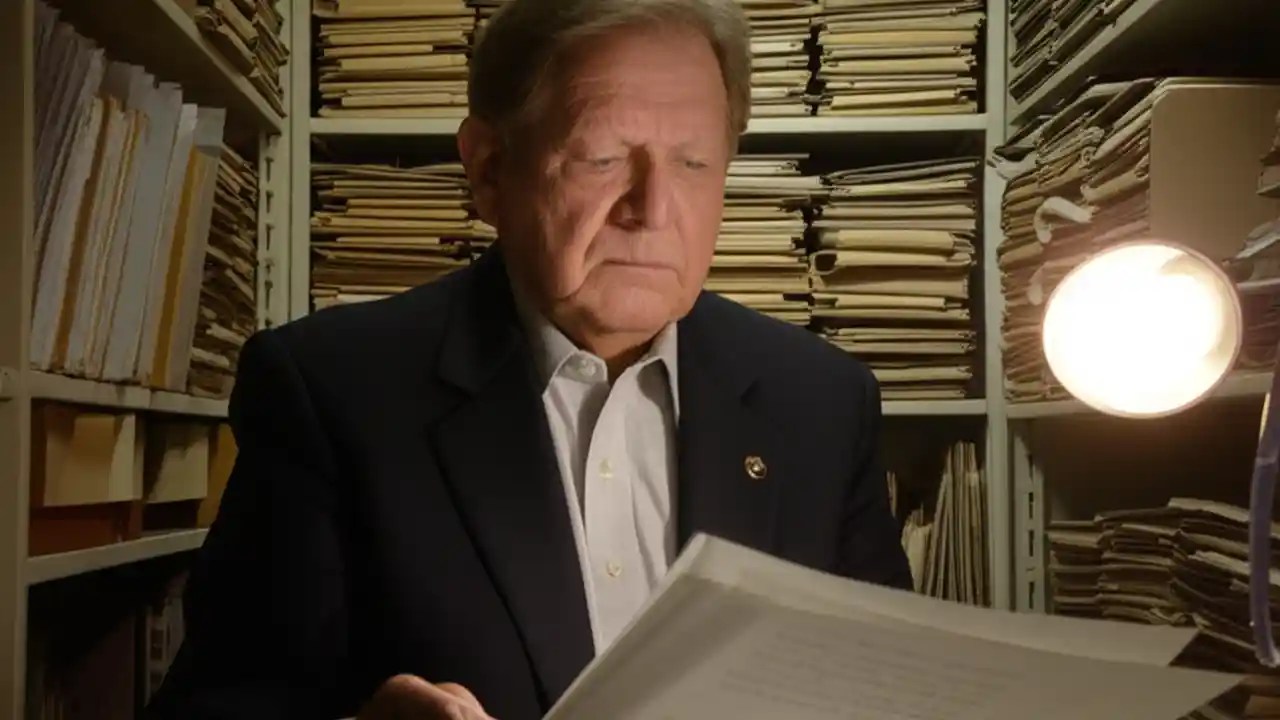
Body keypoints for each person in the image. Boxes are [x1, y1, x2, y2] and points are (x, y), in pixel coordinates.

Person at [146, 0, 912, 718]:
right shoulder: (330, 392)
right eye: (603, 157)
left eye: (693, 164)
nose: (652, 209)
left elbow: (896, 690)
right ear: (488, 170)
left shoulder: (822, 403)